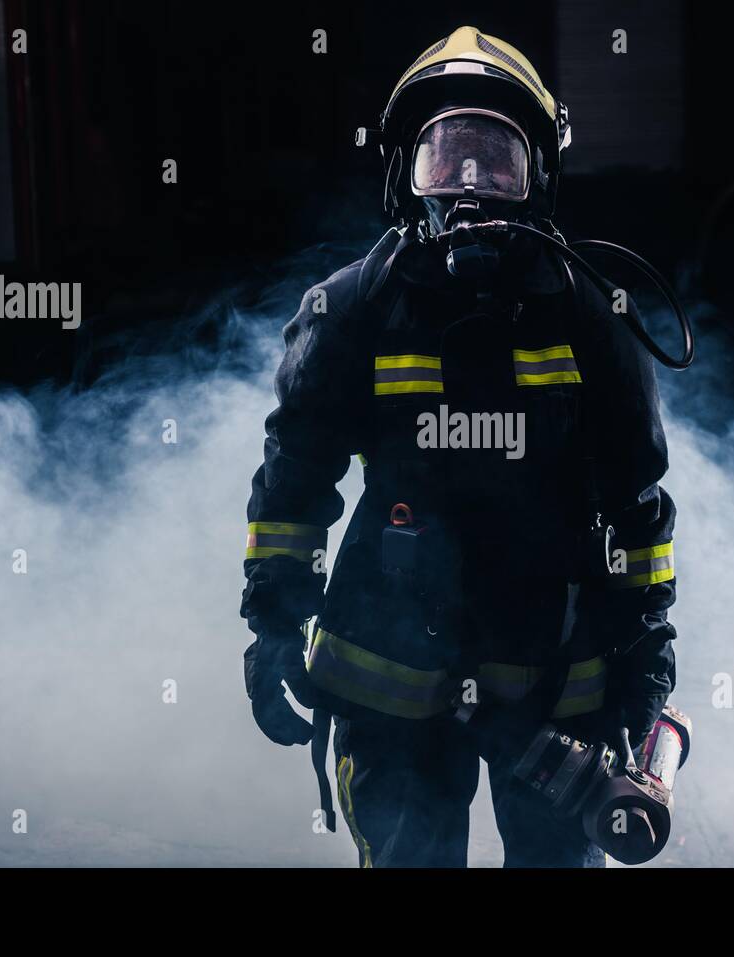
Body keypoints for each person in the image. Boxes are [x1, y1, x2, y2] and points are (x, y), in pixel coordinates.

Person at [241, 25, 677, 867]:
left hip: (559, 687)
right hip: (390, 684)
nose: (469, 189)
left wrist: (646, 643)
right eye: (444, 160)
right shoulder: (351, 312)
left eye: (495, 159)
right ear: (405, 180)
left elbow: (638, 503)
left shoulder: (593, 318)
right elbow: (293, 482)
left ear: (538, 180)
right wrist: (271, 622)